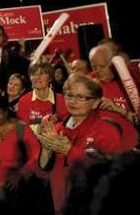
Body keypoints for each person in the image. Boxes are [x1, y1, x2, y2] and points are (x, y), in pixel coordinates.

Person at [37, 74, 122, 214]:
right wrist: (46, 149)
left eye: (81, 97)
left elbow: (107, 174)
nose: (73, 101)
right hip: (57, 204)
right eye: (69, 95)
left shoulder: (106, 131)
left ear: (95, 102)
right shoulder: (57, 128)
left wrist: (69, 151)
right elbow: (42, 172)